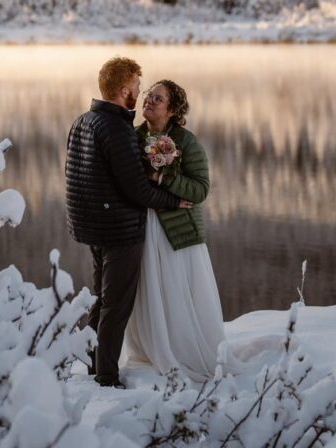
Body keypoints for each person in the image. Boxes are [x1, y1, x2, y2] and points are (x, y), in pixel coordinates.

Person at [65, 56, 191, 388]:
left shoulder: (83, 120)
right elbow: (136, 189)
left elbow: (76, 178)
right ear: (124, 91)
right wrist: (174, 200)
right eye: (137, 85)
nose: (140, 91)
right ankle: (106, 376)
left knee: (101, 299)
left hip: (93, 227)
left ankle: (93, 365)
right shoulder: (116, 129)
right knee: (116, 307)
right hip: (119, 230)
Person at [122, 79, 230, 382]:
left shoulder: (186, 141)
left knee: (176, 293)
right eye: (148, 96)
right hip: (142, 228)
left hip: (179, 233)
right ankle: (151, 350)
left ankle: (184, 352)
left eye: (158, 98)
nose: (149, 102)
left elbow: (200, 189)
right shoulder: (132, 137)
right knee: (150, 291)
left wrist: (165, 178)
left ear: (172, 109)